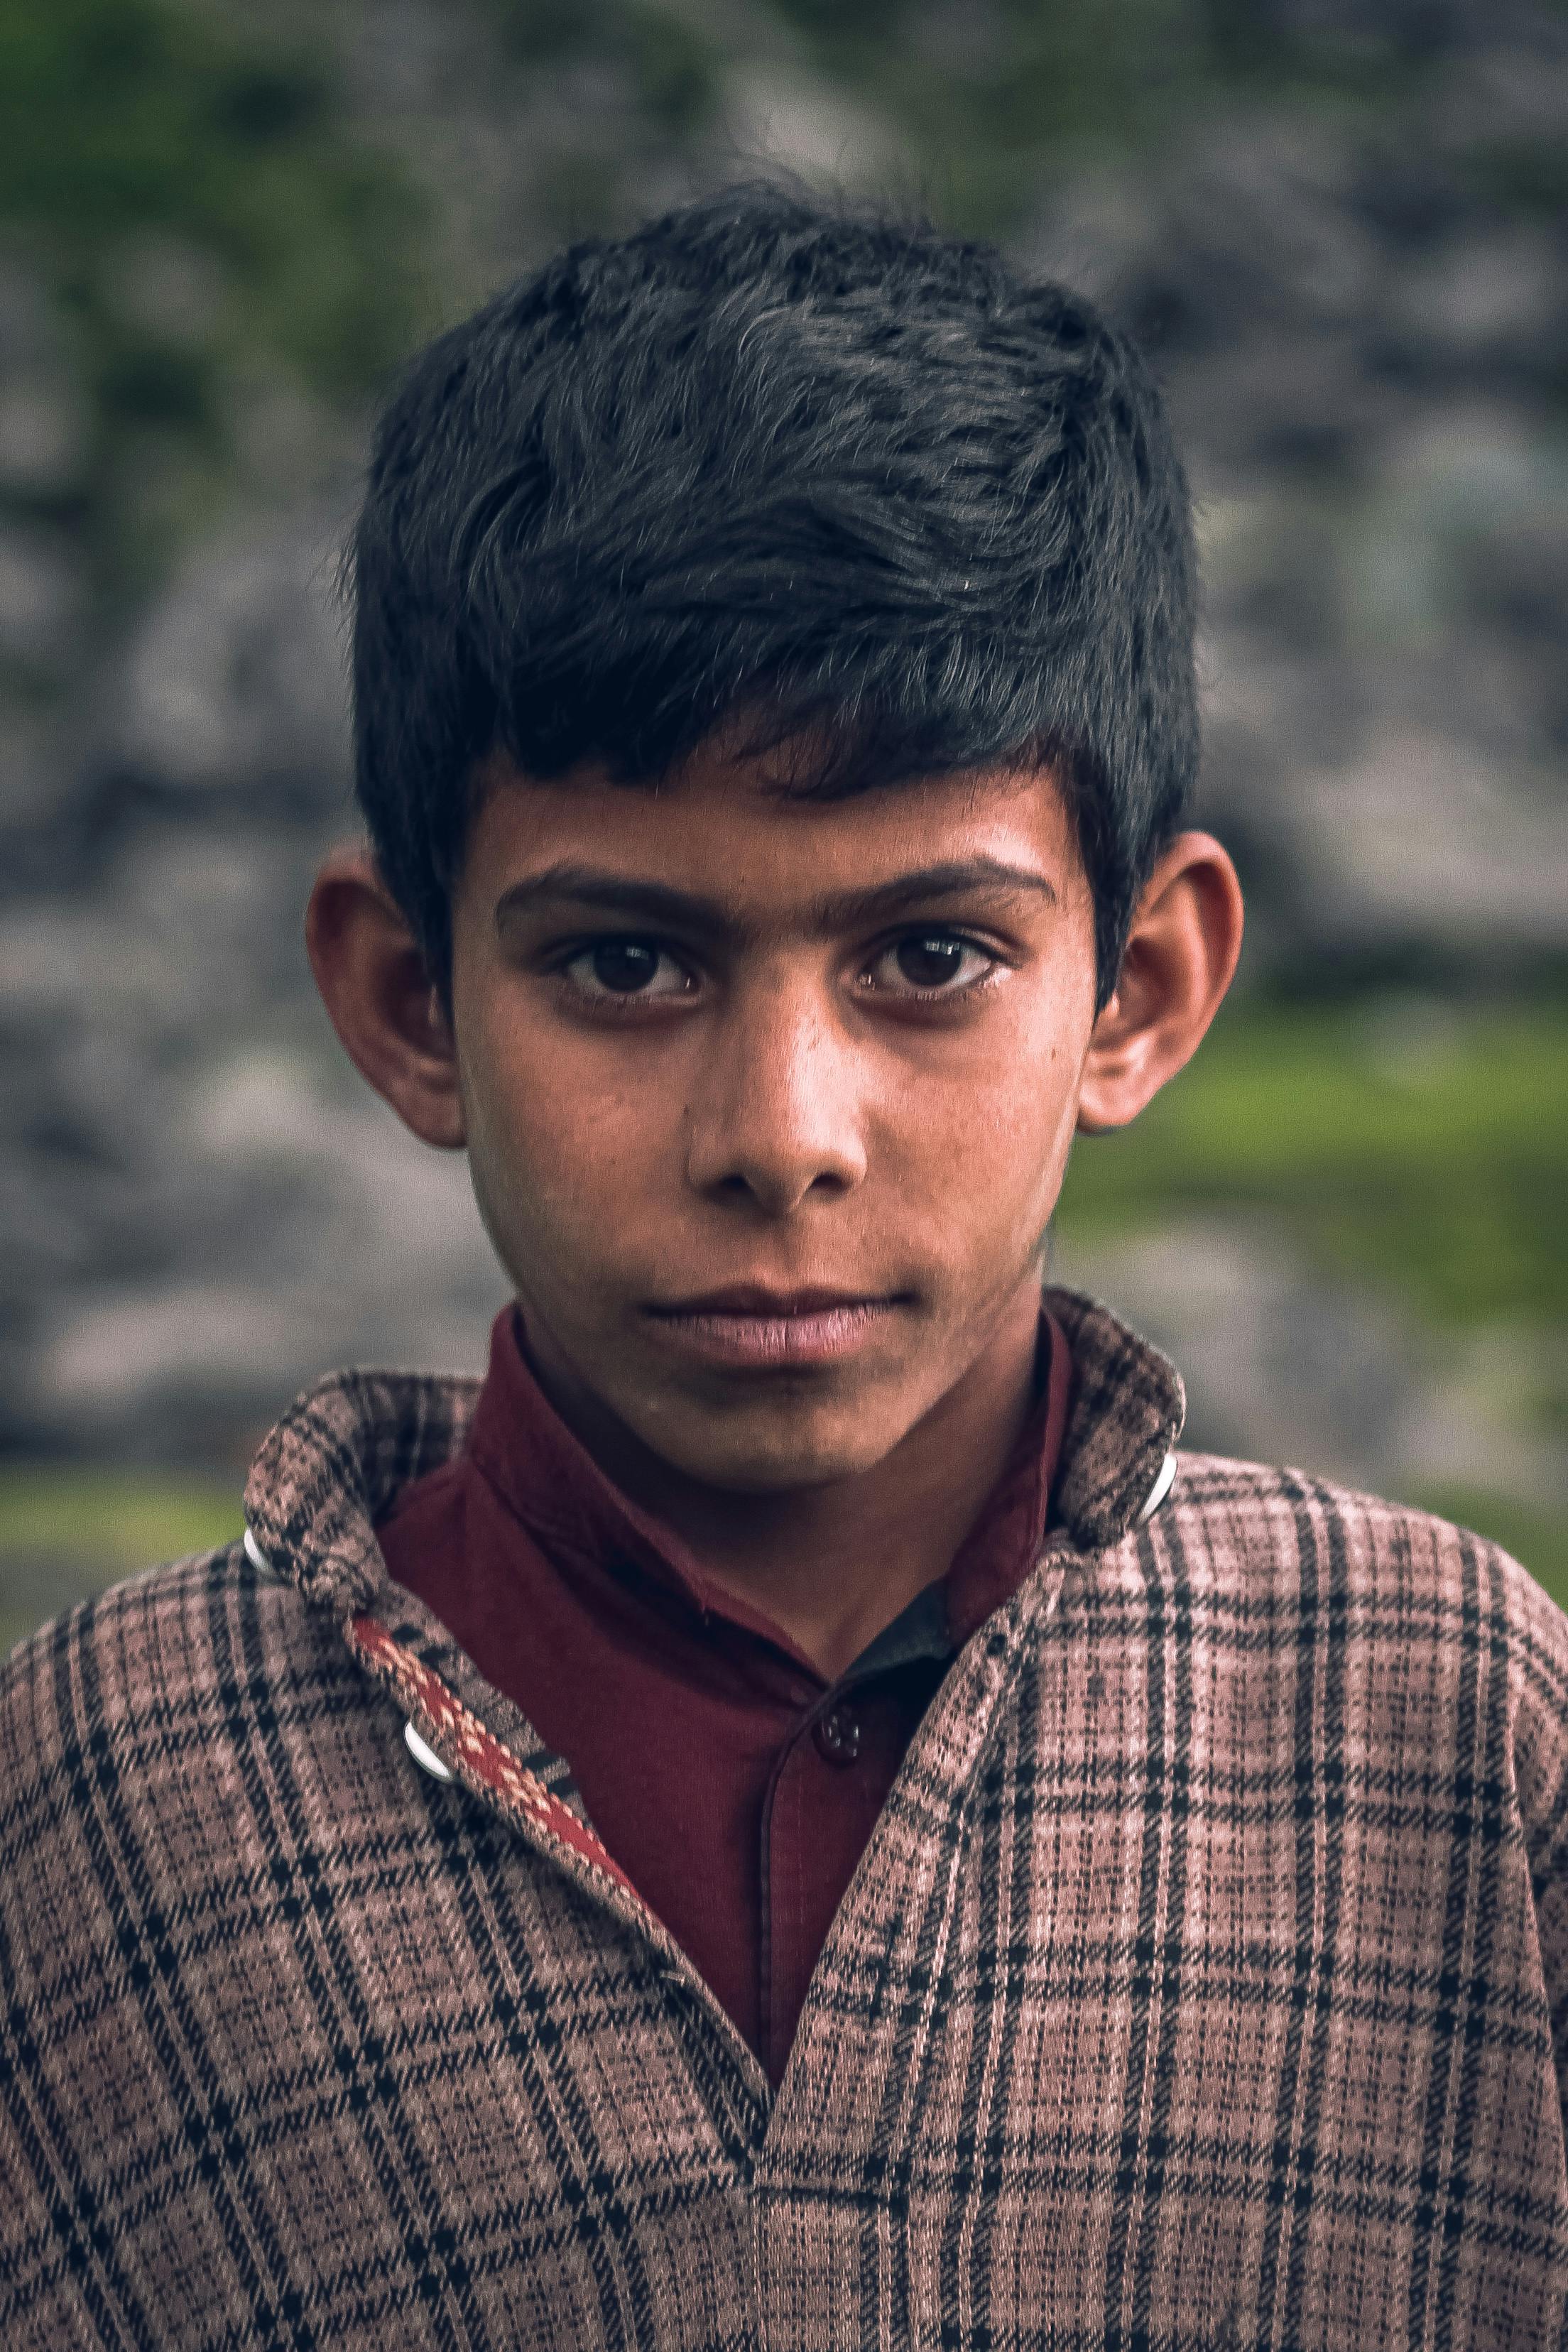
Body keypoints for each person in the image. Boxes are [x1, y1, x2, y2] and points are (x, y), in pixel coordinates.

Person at [2, 184, 1564, 2351]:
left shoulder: (1453, 1726)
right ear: (407, 1003)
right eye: (625, 961)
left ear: (1139, 989)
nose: (780, 1137)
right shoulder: (98, 1809)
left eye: (931, 956)